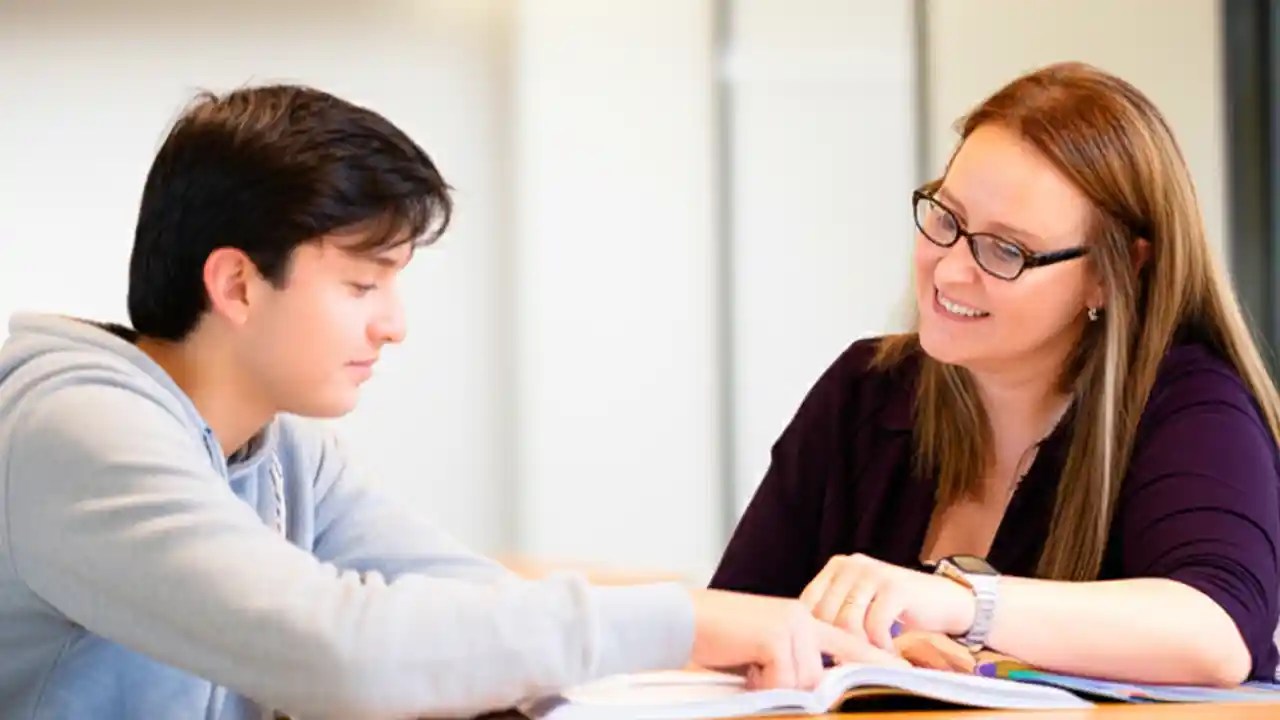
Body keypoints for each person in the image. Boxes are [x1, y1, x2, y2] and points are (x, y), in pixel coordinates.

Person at [0, 85, 896, 720]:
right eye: (362, 284)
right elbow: (338, 652)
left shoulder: (272, 447)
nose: (393, 325)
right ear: (236, 283)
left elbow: (463, 601)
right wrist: (693, 617)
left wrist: (747, 631)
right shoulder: (78, 428)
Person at [710, 62, 1280, 687]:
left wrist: (965, 607)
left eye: (1007, 250)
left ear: (1114, 275)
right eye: (946, 218)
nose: (951, 272)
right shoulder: (867, 389)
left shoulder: (1192, 404)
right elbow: (735, 619)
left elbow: (1217, 631)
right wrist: (851, 648)